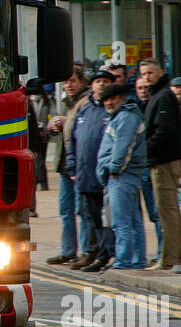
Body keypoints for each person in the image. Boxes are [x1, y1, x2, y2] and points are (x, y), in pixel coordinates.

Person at [138, 58, 181, 271]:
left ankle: (170, 259)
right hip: (159, 160)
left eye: (150, 73)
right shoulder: (157, 95)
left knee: (167, 211)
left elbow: (164, 131)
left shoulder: (164, 96)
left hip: (164, 161)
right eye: (143, 73)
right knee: (165, 210)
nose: (146, 77)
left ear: (159, 73)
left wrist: (144, 149)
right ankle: (169, 257)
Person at [67, 70, 116, 272]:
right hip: (84, 175)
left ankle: (105, 255)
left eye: (106, 81)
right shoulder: (85, 111)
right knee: (90, 218)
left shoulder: (113, 111)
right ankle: (92, 253)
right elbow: (74, 141)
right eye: (98, 81)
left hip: (104, 176)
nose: (101, 85)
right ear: (92, 85)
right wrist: (72, 167)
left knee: (106, 219)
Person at [96, 82, 147, 270]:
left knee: (121, 222)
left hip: (121, 177)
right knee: (132, 221)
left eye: (113, 98)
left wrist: (113, 169)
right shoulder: (123, 116)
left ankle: (124, 261)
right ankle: (136, 260)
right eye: (105, 100)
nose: (109, 103)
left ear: (122, 98)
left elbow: (123, 148)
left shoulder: (125, 117)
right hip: (124, 176)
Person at [45, 67, 90, 265]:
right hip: (64, 165)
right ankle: (68, 250)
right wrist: (52, 127)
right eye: (66, 82)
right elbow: (59, 133)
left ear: (82, 82)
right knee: (66, 211)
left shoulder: (87, 102)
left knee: (83, 210)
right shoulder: (65, 103)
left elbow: (89, 130)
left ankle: (87, 251)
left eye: (73, 81)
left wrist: (69, 122)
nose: (69, 85)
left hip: (80, 166)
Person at [133, 75, 164, 260]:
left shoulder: (156, 106)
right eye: (140, 88)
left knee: (156, 212)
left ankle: (161, 252)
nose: (143, 90)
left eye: (146, 87)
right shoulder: (133, 109)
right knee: (136, 215)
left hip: (152, 165)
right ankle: (139, 255)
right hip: (137, 167)